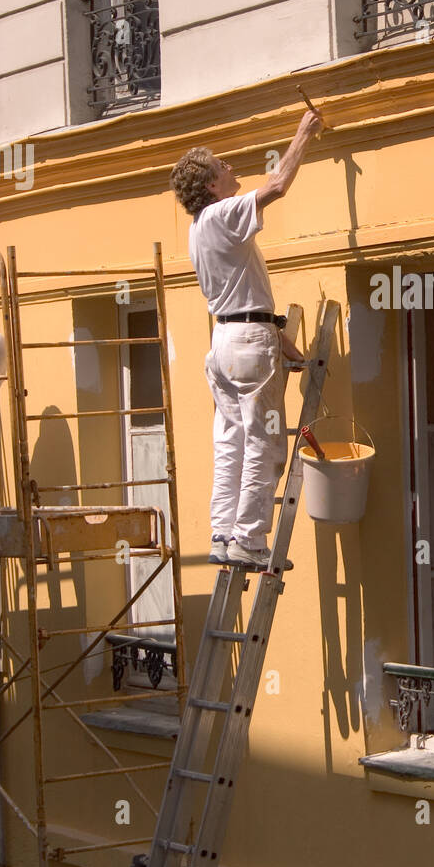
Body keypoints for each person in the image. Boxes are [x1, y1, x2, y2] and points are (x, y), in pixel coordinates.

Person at [170, 105, 323, 570]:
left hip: (225, 342)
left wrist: (277, 337)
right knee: (264, 442)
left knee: (231, 440)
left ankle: (222, 534)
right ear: (211, 186)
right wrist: (304, 132)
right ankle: (249, 540)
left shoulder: (199, 229)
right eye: (223, 166)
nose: (232, 168)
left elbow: (244, 297)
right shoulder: (220, 214)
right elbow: (277, 185)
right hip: (246, 340)